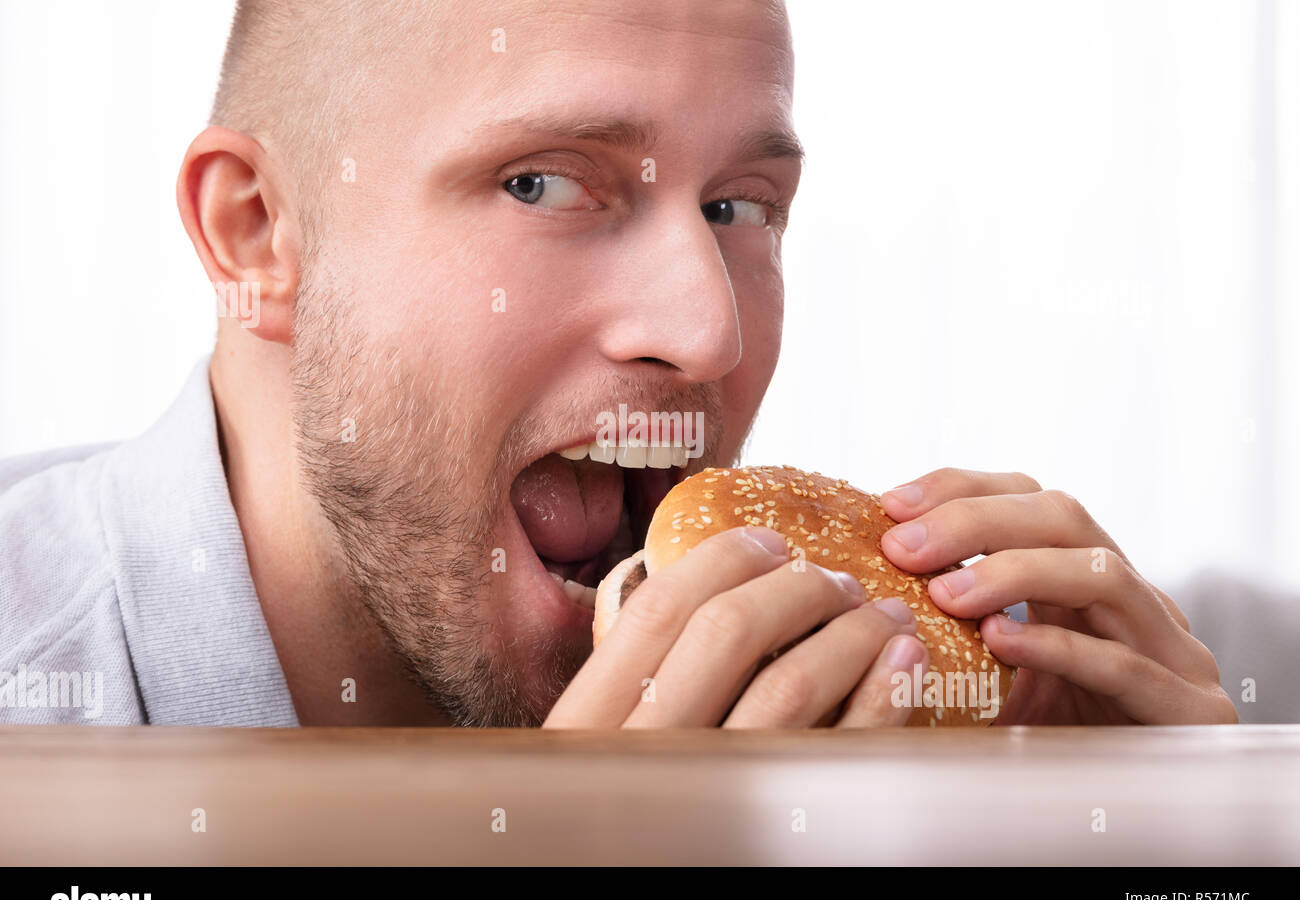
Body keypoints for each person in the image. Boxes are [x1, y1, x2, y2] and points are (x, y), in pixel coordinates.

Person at [0, 0, 1235, 728]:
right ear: (258, 235)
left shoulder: (1016, 691)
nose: (709, 333)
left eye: (740, 206)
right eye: (544, 182)